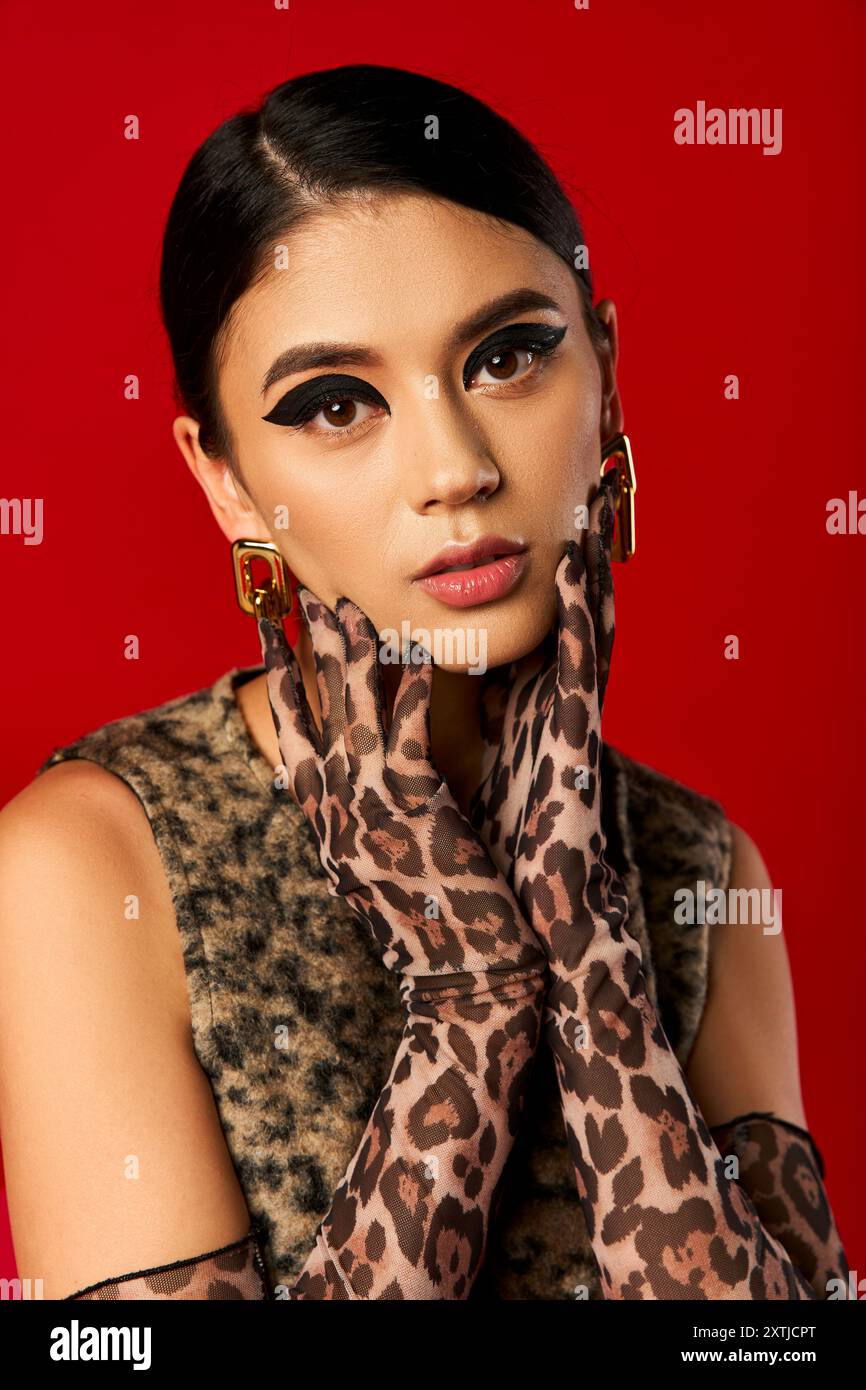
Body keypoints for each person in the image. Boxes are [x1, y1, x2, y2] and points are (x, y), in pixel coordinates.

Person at [0, 63, 850, 1300]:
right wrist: (470, 1008)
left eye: (508, 357)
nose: (452, 468)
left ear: (601, 373)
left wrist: (595, 956)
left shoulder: (701, 865)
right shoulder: (91, 862)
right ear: (227, 479)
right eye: (335, 402)